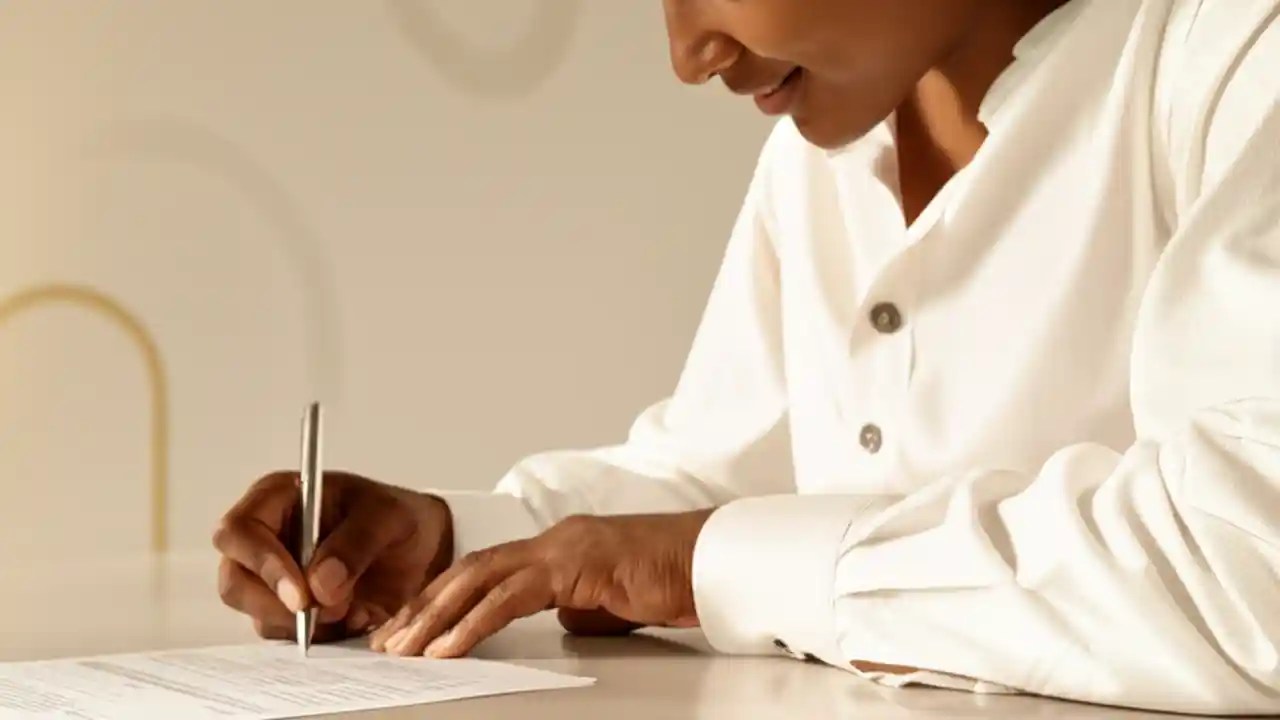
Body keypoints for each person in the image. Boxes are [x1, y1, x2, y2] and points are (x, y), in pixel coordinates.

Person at [213, 0, 1280, 714]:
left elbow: (1249, 569)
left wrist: (697, 564)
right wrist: (454, 546)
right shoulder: (826, 150)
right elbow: (731, 476)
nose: (688, 53)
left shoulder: (1234, 58)